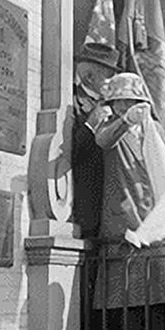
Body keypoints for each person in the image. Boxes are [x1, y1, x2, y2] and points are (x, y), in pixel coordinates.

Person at [92, 73, 165, 330]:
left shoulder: (156, 129)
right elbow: (103, 141)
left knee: (159, 315)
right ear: (113, 104)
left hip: (157, 231)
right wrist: (125, 121)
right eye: (122, 101)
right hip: (123, 229)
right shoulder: (109, 125)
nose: (128, 106)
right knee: (127, 318)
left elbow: (164, 175)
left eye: (134, 101)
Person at [70, 42, 119, 240]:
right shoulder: (70, 101)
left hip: (114, 209)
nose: (114, 84)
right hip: (88, 208)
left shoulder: (116, 107)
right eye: (109, 77)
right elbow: (69, 153)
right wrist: (91, 125)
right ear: (89, 78)